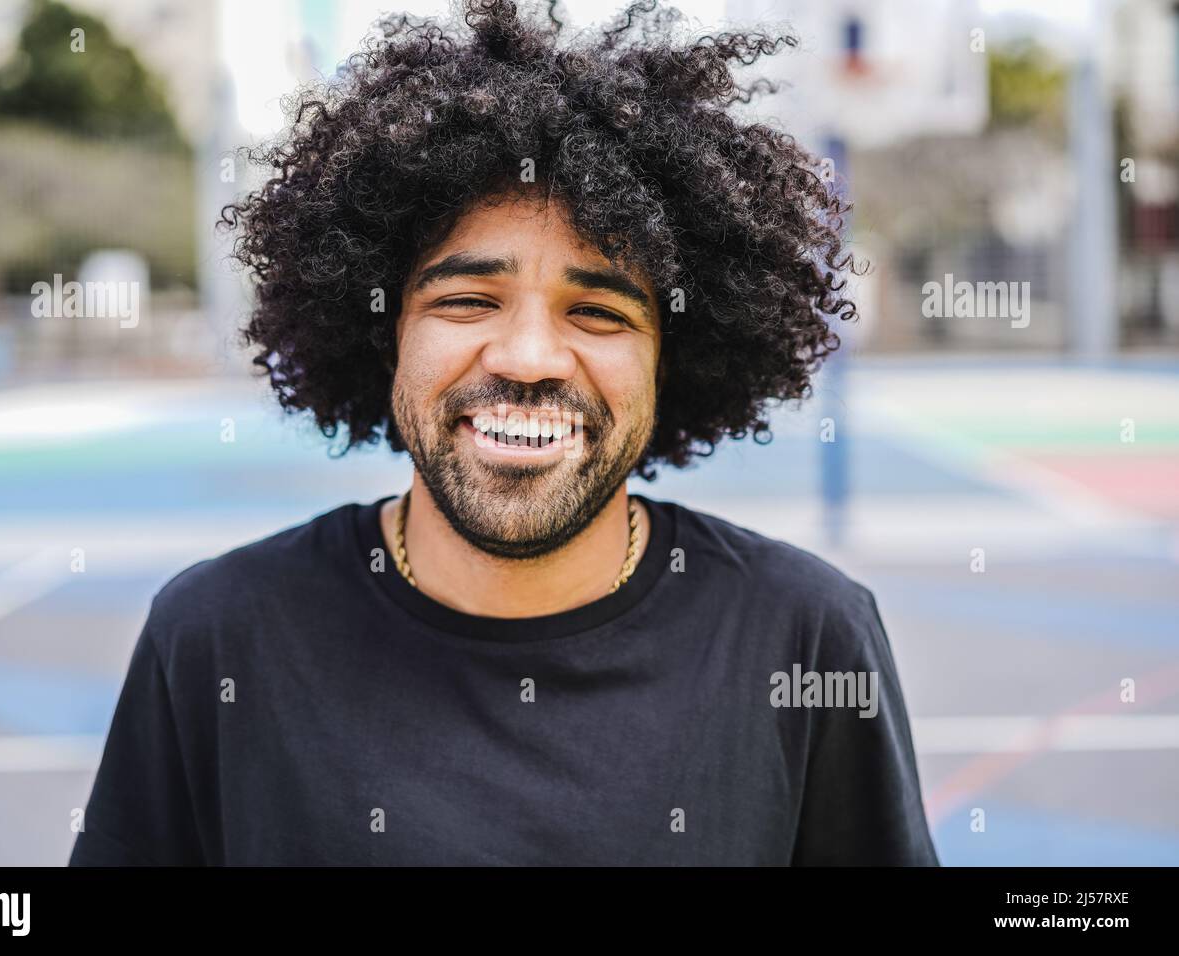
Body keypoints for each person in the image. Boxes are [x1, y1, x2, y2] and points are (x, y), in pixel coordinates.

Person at [70, 0, 938, 866]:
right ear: (386, 334)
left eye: (597, 311)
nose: (528, 357)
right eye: (466, 300)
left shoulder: (807, 635)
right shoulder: (218, 633)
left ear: (674, 361)